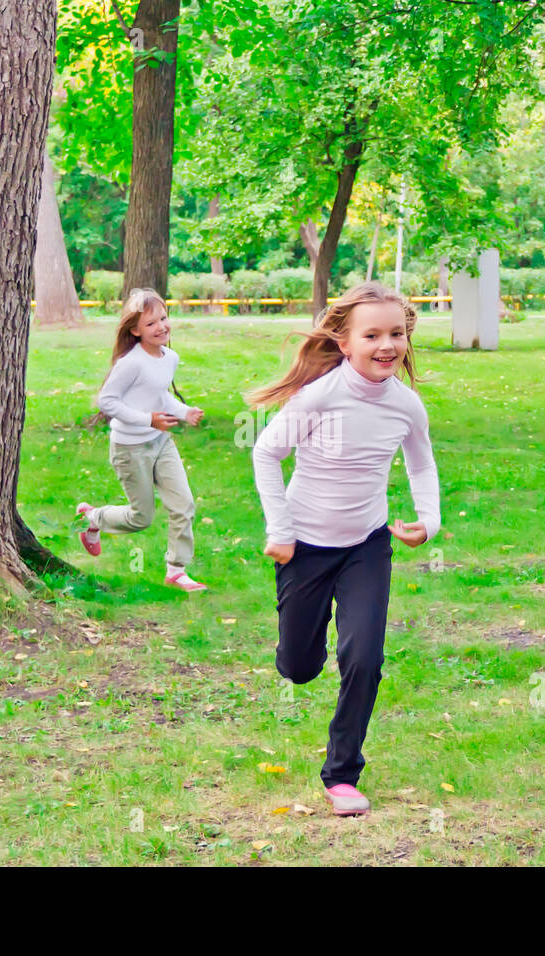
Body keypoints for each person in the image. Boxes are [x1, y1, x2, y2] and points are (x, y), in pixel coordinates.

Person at [249, 282, 440, 815]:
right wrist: (280, 530)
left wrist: (429, 520)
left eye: (396, 334)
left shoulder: (405, 405)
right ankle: (297, 656)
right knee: (299, 668)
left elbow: (421, 463)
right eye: (372, 334)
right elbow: (268, 454)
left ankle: (341, 775)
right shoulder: (319, 396)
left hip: (367, 546)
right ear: (344, 341)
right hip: (305, 547)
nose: (387, 345)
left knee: (365, 657)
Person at [77, 288, 208, 592]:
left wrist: (184, 411)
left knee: (184, 504)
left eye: (163, 318)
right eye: (151, 324)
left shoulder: (169, 357)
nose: (161, 327)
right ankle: (93, 518)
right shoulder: (130, 363)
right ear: (135, 330)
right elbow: (107, 401)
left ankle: (176, 570)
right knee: (141, 518)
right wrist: (147, 418)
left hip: (161, 443)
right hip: (130, 448)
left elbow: (159, 395)